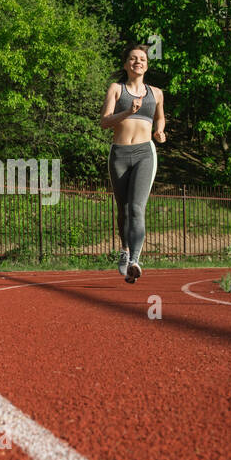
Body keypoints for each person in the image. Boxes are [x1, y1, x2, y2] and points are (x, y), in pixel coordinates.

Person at [99, 43, 166, 283]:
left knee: (137, 208)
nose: (138, 62)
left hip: (144, 153)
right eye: (134, 58)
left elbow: (160, 119)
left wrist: (160, 132)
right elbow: (105, 122)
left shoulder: (156, 93)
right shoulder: (116, 89)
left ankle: (135, 260)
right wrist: (127, 112)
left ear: (147, 66)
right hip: (119, 154)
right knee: (124, 210)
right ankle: (125, 250)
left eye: (143, 59)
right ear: (126, 64)